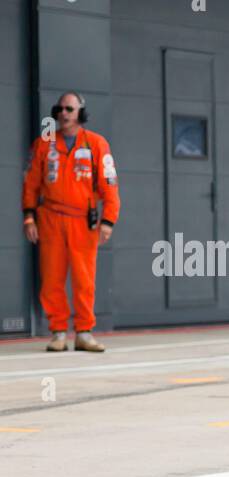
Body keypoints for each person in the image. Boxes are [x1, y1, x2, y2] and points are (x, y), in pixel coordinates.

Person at [22, 91, 120, 352]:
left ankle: (84, 332)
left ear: (81, 113)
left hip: (83, 221)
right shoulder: (43, 144)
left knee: (84, 278)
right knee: (52, 277)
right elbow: (31, 184)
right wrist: (29, 217)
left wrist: (108, 220)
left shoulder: (97, 144)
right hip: (50, 218)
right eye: (60, 109)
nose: (63, 114)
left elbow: (110, 185)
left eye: (69, 109)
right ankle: (58, 332)